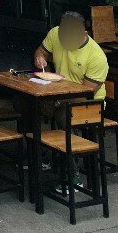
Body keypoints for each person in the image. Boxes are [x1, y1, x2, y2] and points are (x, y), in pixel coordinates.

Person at [34, 11, 109, 188]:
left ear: (85, 34)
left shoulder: (97, 57)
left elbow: (85, 92)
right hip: (58, 94)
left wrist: (58, 96)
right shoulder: (55, 34)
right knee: (26, 103)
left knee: (64, 115)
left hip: (89, 102)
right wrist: (40, 58)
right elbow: (41, 50)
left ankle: (72, 173)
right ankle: (41, 155)